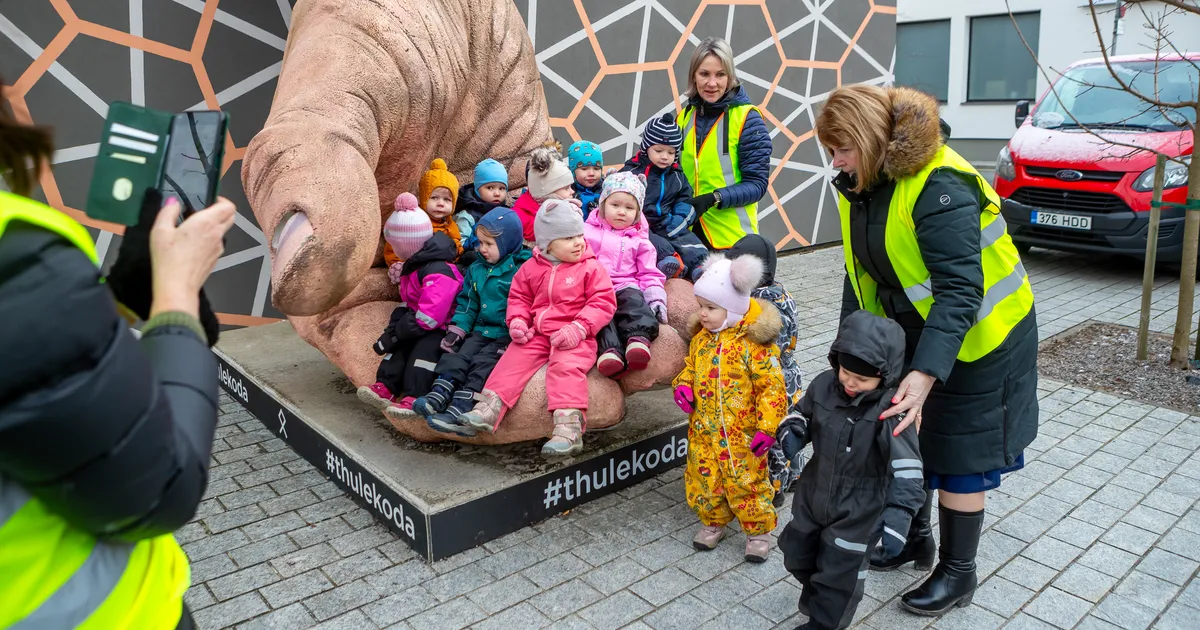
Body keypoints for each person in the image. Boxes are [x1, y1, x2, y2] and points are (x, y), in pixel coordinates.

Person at [0, 102, 233, 629]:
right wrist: (177, 291)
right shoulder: (12, 257)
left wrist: (120, 303)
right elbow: (159, 489)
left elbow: (29, 383)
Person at [815, 84, 1037, 616]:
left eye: (842, 149)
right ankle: (916, 540)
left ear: (870, 140)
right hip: (916, 330)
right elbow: (859, 272)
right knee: (904, 431)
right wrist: (853, 350)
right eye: (830, 151)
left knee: (961, 452)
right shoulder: (862, 183)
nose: (835, 162)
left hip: (985, 337)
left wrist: (927, 372)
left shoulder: (940, 185)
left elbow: (962, 291)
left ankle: (959, 573)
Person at [775, 310, 925, 630]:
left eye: (863, 379)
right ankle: (815, 590)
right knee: (796, 551)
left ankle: (825, 621)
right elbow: (802, 413)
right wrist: (793, 431)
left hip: (860, 508)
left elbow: (908, 466)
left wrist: (900, 513)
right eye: (845, 371)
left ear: (884, 376)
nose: (850, 382)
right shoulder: (824, 386)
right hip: (815, 491)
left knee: (840, 572)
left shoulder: (892, 410)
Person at [460, 199, 617, 457]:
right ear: (547, 244)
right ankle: (488, 408)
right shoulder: (531, 268)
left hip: (575, 334)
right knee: (513, 358)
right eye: (568, 237)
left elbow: (603, 302)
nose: (579, 242)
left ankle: (569, 428)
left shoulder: (590, 267)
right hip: (538, 332)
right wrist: (518, 321)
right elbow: (519, 297)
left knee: (565, 367)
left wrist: (579, 328)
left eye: (579, 234)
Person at [672, 253, 787, 563]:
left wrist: (767, 426)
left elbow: (772, 387)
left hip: (742, 434)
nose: (704, 314)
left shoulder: (753, 345)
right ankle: (713, 521)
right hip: (704, 431)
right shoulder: (701, 341)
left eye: (711, 308)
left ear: (733, 308)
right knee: (705, 479)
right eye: (701, 307)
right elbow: (690, 369)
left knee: (746, 481)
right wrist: (683, 384)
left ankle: (758, 530)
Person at [414, 207, 531, 435]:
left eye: (489, 244)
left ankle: (461, 408)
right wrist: (458, 329)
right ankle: (439, 393)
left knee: (483, 365)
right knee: (458, 354)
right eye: (479, 242)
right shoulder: (476, 269)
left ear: (508, 242)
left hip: (505, 335)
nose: (482, 249)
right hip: (479, 330)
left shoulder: (522, 270)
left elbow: (529, 303)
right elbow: (469, 303)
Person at [358, 194, 464, 419]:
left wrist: (398, 333)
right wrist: (396, 329)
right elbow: (410, 302)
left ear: (408, 245)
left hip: (442, 327)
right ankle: (386, 386)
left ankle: (415, 395)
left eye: (396, 246)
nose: (394, 251)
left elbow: (431, 315)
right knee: (400, 350)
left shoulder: (438, 270)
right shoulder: (414, 264)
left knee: (423, 352)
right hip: (420, 321)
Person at [728, 233, 803, 504]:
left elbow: (766, 348)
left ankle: (775, 487)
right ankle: (794, 475)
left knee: (773, 433)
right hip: (789, 374)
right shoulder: (780, 292)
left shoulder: (761, 306)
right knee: (790, 429)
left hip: (773, 379)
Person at [678, 36, 771, 250]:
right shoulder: (683, 118)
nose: (712, 83)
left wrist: (715, 198)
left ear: (730, 77)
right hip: (688, 237)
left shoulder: (748, 119)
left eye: (720, 75)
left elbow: (757, 185)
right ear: (694, 76)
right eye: (704, 74)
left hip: (733, 241)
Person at [583, 171, 667, 377]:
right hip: (594, 288)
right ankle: (610, 352)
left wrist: (656, 297)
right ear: (602, 205)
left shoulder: (640, 240)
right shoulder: (586, 233)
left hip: (625, 285)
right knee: (599, 318)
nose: (622, 212)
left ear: (638, 213)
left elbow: (649, 272)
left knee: (634, 304)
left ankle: (638, 341)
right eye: (615, 205)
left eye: (629, 208)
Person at [620, 112, 709, 280]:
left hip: (666, 222)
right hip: (640, 223)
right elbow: (617, 193)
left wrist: (679, 220)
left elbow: (685, 200)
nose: (664, 156)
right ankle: (669, 263)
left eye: (670, 152)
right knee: (653, 243)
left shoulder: (676, 175)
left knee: (689, 241)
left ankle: (699, 268)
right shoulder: (632, 171)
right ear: (646, 148)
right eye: (658, 150)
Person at [512, 145, 576, 245]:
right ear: (547, 192)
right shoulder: (519, 217)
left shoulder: (567, 206)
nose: (572, 192)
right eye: (566, 188)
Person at [456, 157, 510, 252]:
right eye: (490, 188)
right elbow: (461, 243)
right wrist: (485, 242)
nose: (497, 193)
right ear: (477, 189)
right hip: (475, 259)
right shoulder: (467, 215)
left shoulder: (506, 212)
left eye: (502, 188)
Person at [568, 140, 605, 217]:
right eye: (584, 169)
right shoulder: (567, 193)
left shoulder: (607, 191)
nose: (591, 173)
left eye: (596, 168)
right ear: (573, 172)